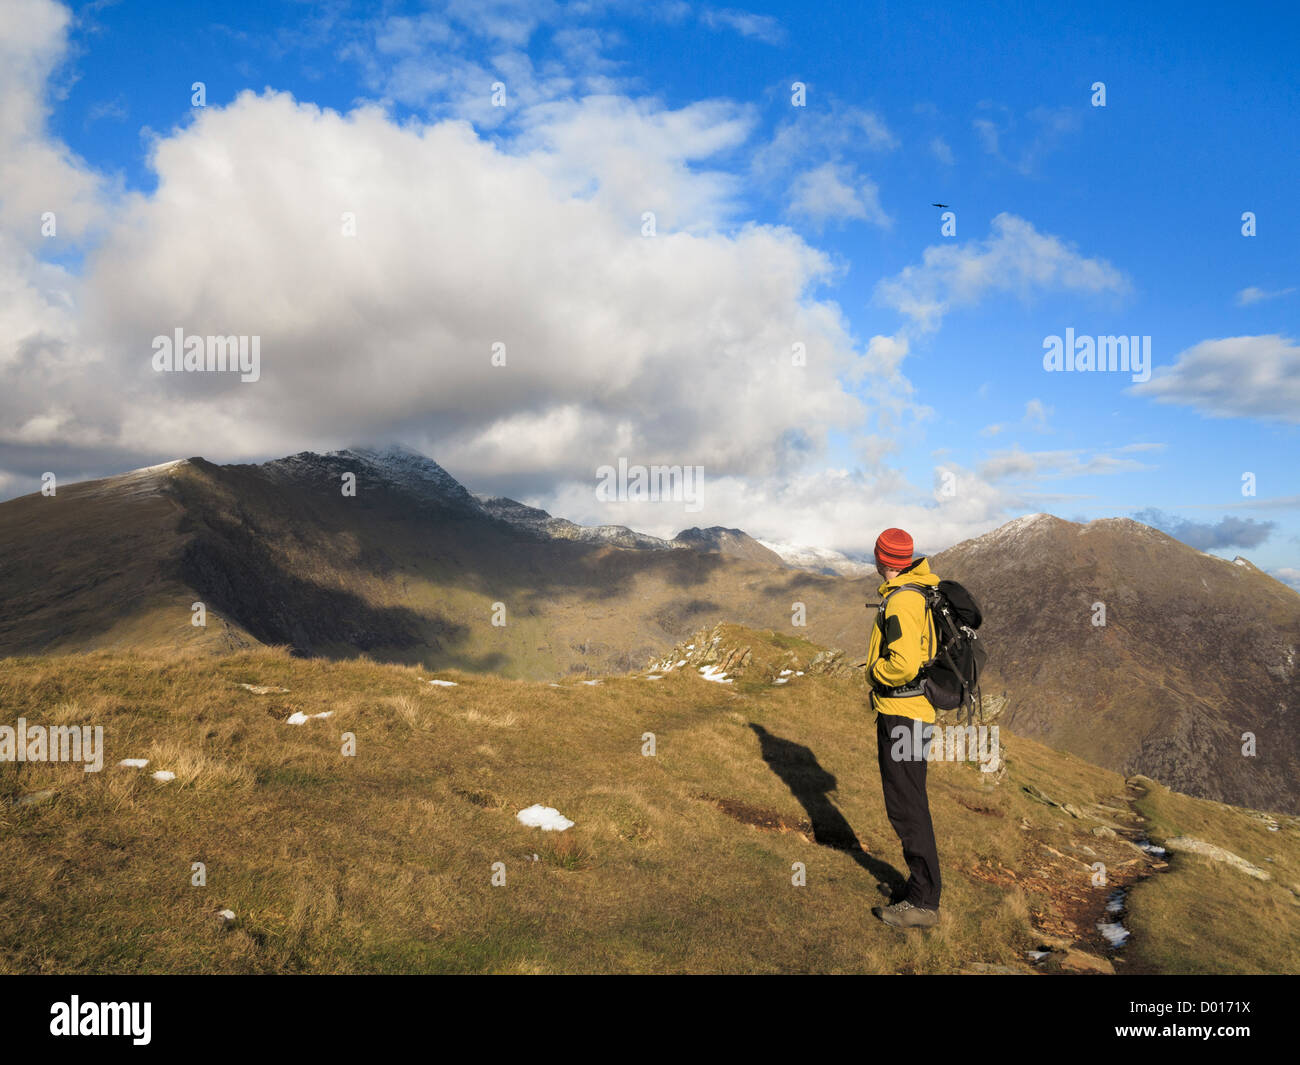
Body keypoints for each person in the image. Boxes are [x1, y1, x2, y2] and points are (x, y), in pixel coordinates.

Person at [865, 527, 942, 929]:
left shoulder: (900, 603)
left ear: (882, 559)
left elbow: (904, 663)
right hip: (916, 712)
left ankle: (924, 903)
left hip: (902, 714)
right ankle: (919, 891)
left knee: (907, 807)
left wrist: (873, 672)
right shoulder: (920, 590)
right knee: (910, 802)